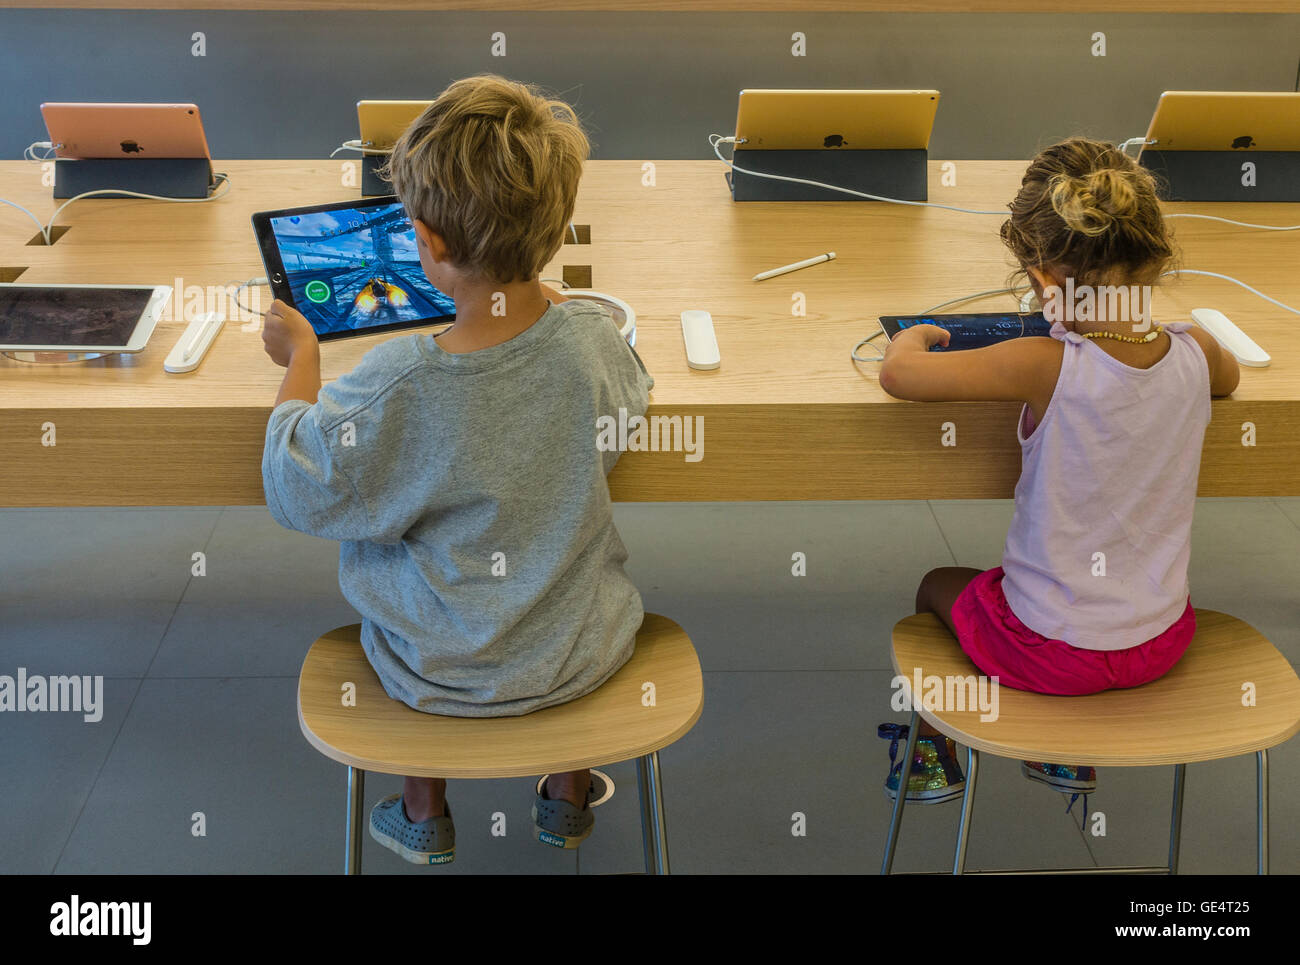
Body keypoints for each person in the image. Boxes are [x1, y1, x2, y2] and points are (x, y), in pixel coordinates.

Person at [259, 75, 653, 864]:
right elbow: (630, 403)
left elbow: (294, 479)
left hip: (432, 670)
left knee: (393, 561)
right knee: (561, 553)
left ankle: (422, 806)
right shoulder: (596, 342)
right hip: (579, 653)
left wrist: (301, 357)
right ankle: (566, 798)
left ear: (429, 243)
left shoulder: (399, 379)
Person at [877, 137, 1239, 812]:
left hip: (1048, 652)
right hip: (1160, 639)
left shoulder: (1043, 363)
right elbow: (1229, 375)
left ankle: (933, 761)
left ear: (1046, 280)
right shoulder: (1200, 353)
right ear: (1154, 256)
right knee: (1045, 598)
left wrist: (913, 334)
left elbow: (900, 375)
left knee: (937, 585)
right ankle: (1062, 752)